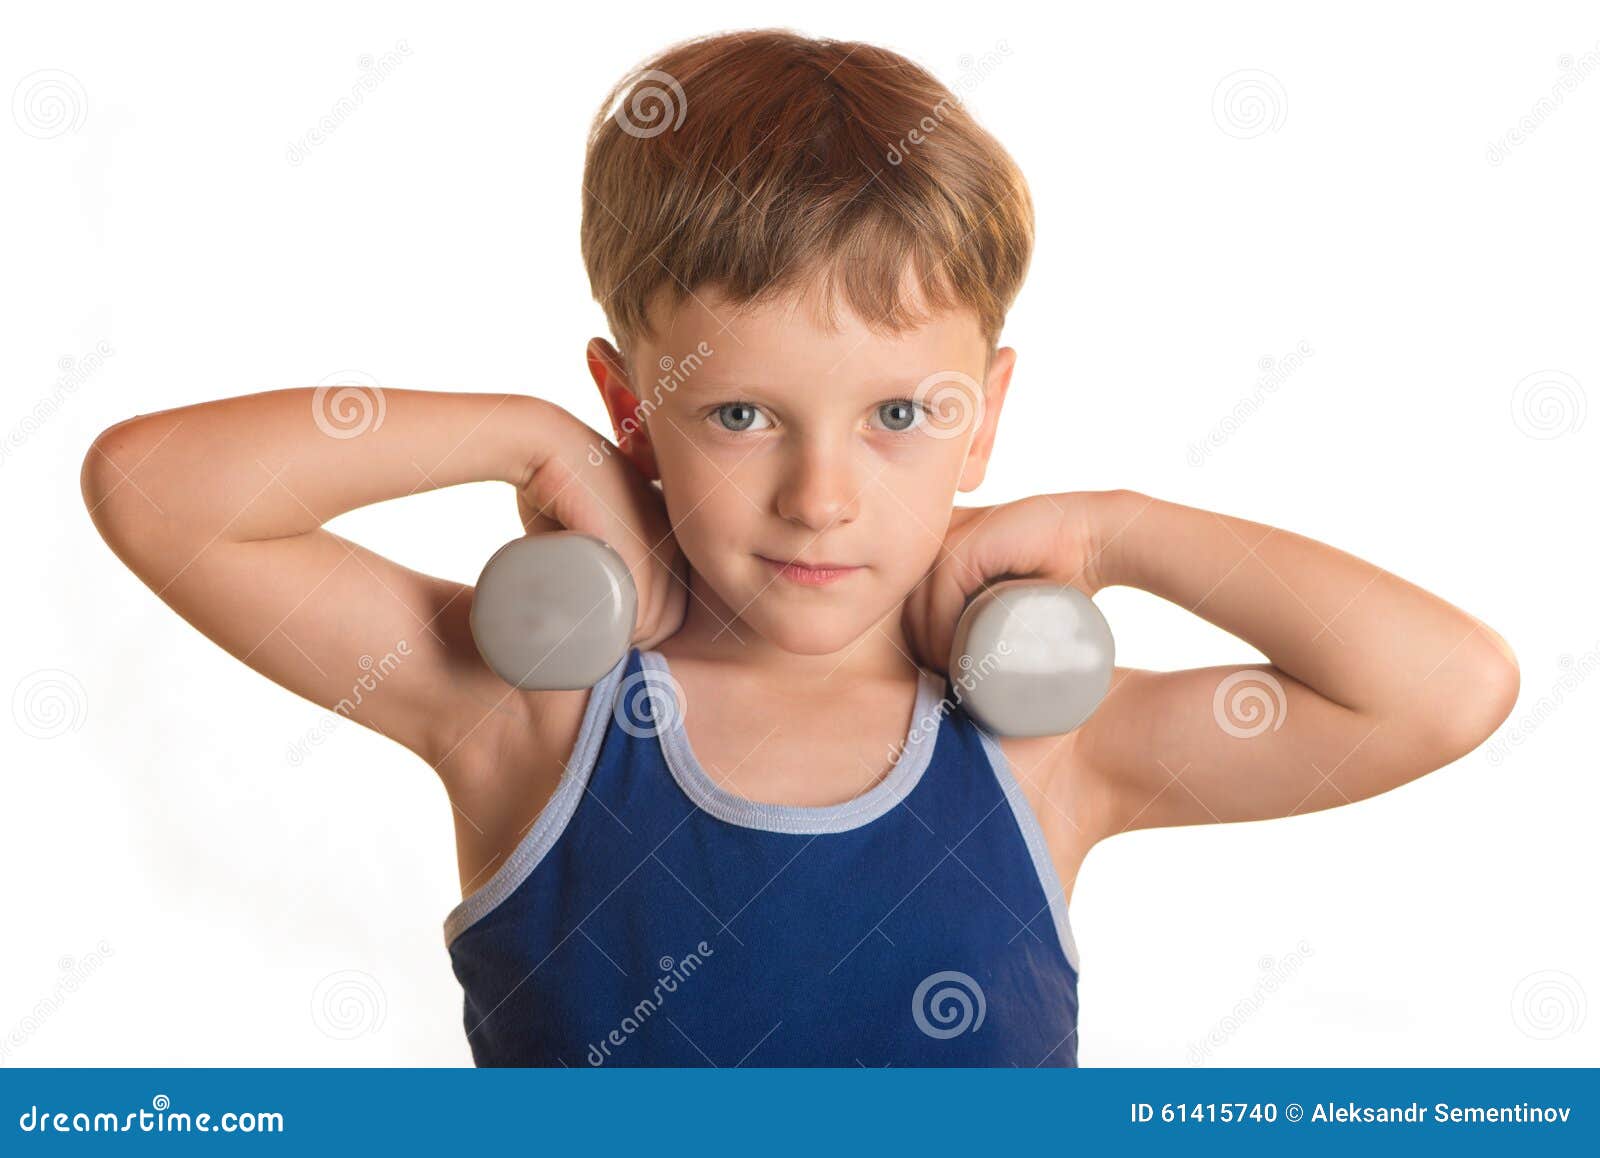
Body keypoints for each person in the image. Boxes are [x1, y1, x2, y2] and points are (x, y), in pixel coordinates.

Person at [80, 28, 1520, 1067]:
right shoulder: (529, 710)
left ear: (987, 416)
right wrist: (533, 440)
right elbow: (155, 488)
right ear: (635, 404)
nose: (820, 496)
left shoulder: (1043, 748)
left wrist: (1116, 531)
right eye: (743, 411)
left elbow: (1443, 688)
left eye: (901, 411)